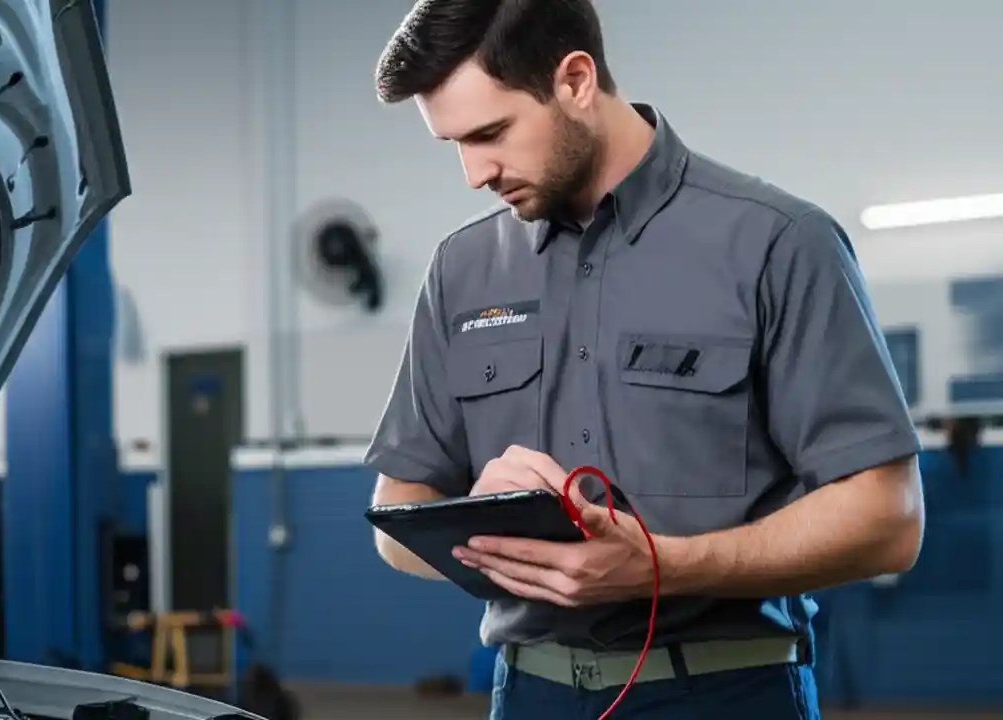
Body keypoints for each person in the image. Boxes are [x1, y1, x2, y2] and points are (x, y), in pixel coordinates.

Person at [362, 1, 926, 717]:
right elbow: (399, 518)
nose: (475, 173)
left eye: (491, 133)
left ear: (574, 81)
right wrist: (490, 521)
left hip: (728, 692)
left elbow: (888, 519)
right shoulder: (461, 270)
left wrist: (660, 567)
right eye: (454, 145)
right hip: (530, 693)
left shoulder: (780, 244)